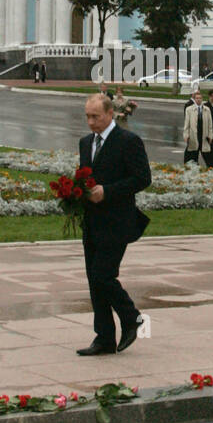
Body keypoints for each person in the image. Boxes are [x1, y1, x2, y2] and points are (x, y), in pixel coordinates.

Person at [76, 93, 151, 356]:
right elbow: (86, 177)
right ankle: (104, 338)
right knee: (94, 280)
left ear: (110, 114)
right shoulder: (85, 143)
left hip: (118, 222)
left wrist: (107, 191)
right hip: (92, 222)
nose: (90, 122)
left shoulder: (128, 141)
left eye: (95, 116)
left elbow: (142, 178)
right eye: (87, 116)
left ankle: (132, 317)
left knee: (103, 275)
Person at [183, 88, 213, 166]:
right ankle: (192, 168)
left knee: (208, 156)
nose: (198, 100)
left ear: (202, 99)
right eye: (197, 98)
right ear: (194, 99)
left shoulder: (207, 109)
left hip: (204, 135)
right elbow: (187, 124)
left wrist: (210, 136)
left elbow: (210, 125)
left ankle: (211, 169)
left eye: (200, 98)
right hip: (194, 135)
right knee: (192, 155)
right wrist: (186, 135)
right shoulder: (189, 109)